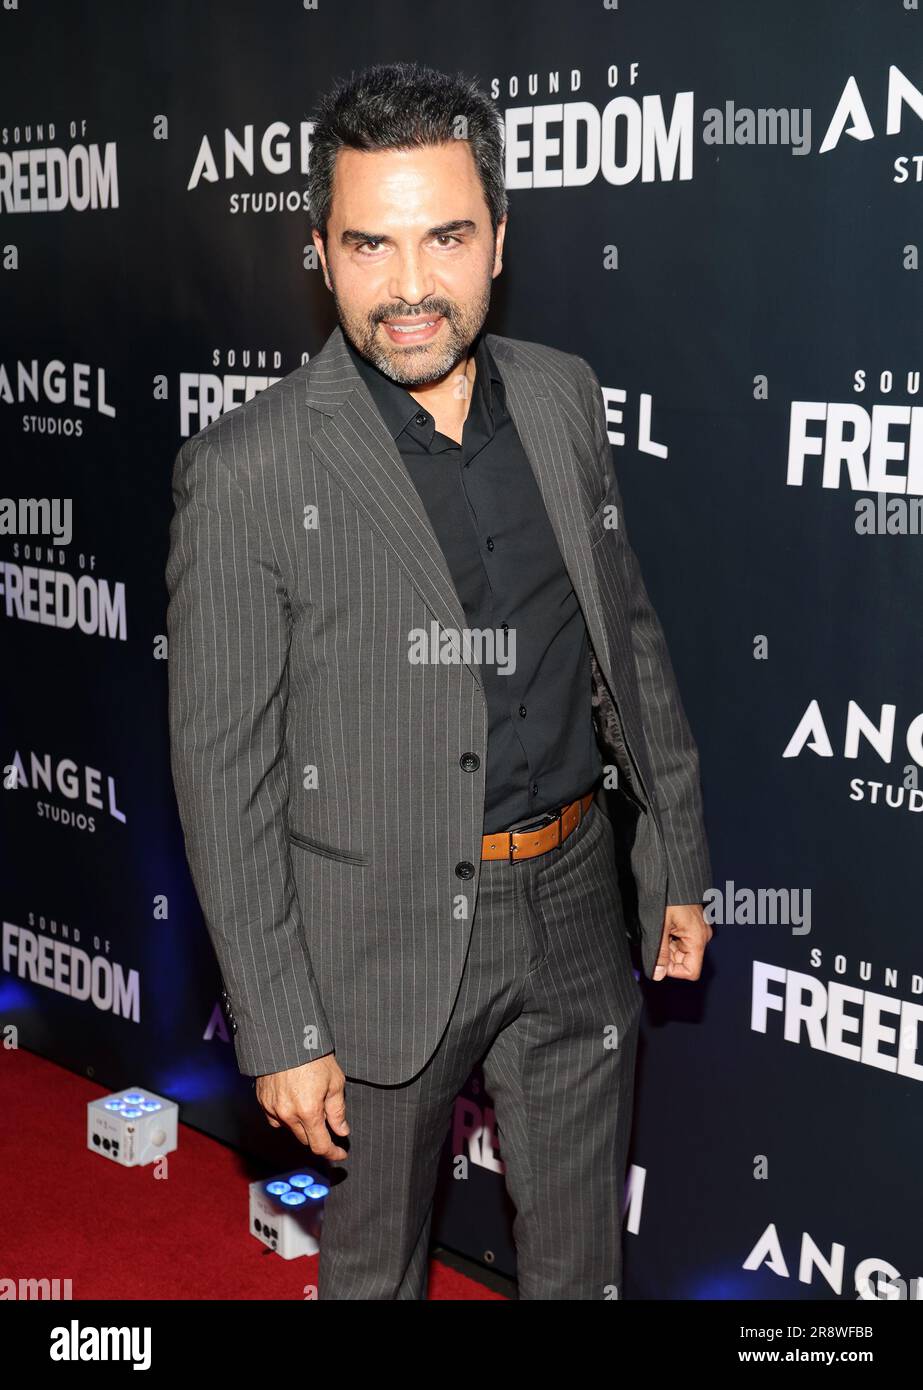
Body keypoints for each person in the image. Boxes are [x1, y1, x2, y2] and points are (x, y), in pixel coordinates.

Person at [165, 60, 713, 1300]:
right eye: (368, 245)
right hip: (371, 943)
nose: (409, 288)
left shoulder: (564, 398)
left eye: (444, 238)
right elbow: (221, 767)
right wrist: (281, 1022)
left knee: (579, 1271)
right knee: (372, 1278)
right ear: (318, 250)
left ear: (498, 239)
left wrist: (671, 853)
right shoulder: (247, 470)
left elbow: (623, 636)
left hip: (573, 903)